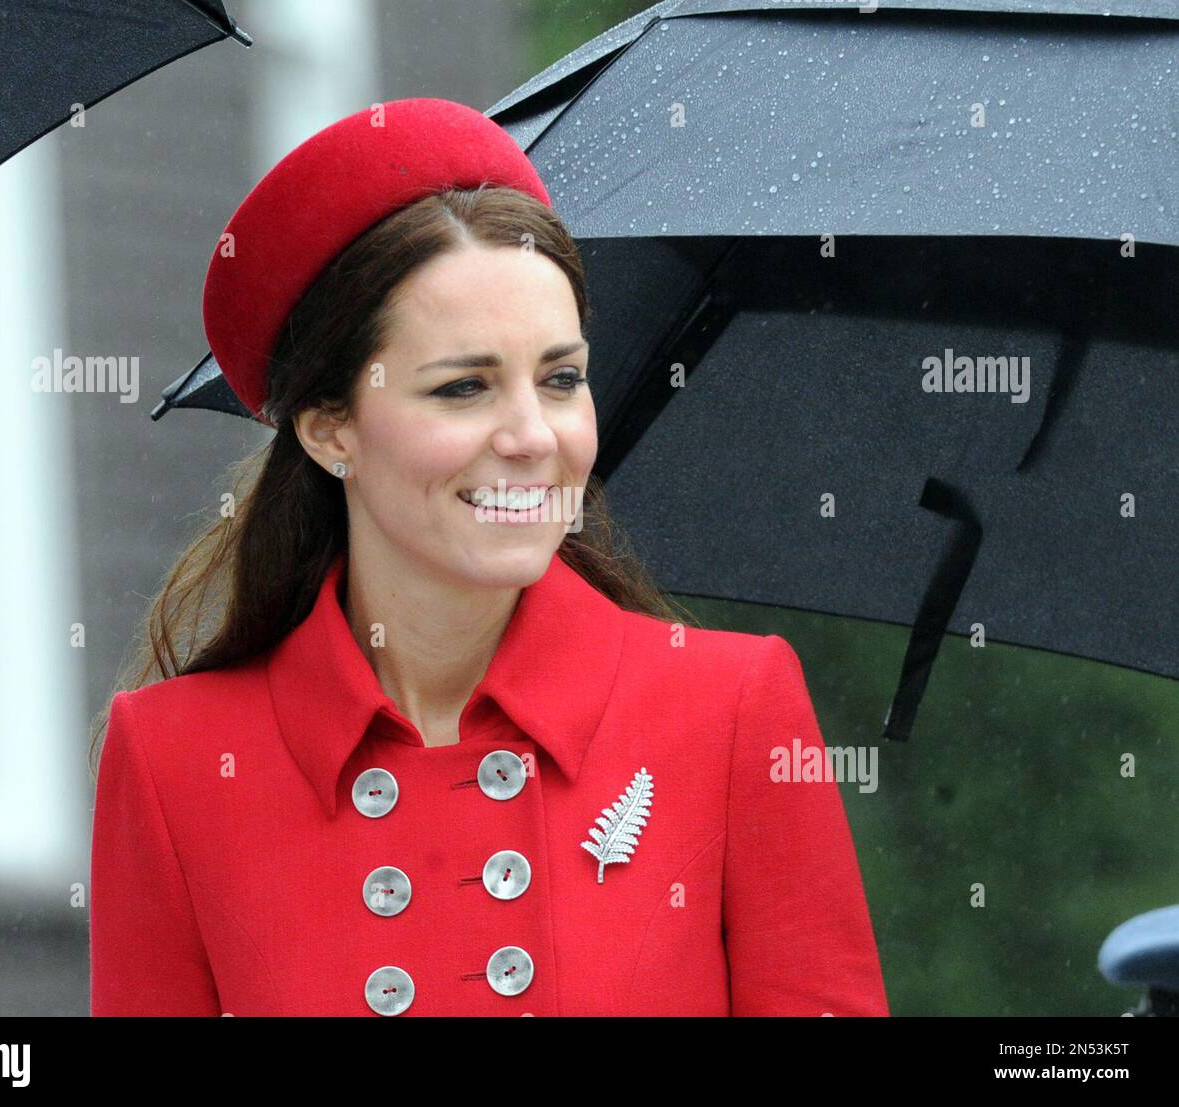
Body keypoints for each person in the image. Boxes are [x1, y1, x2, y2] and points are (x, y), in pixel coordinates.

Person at [87, 97, 889, 1017]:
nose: (530, 436)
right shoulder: (177, 758)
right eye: (464, 387)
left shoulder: (733, 710)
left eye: (561, 379)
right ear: (328, 428)